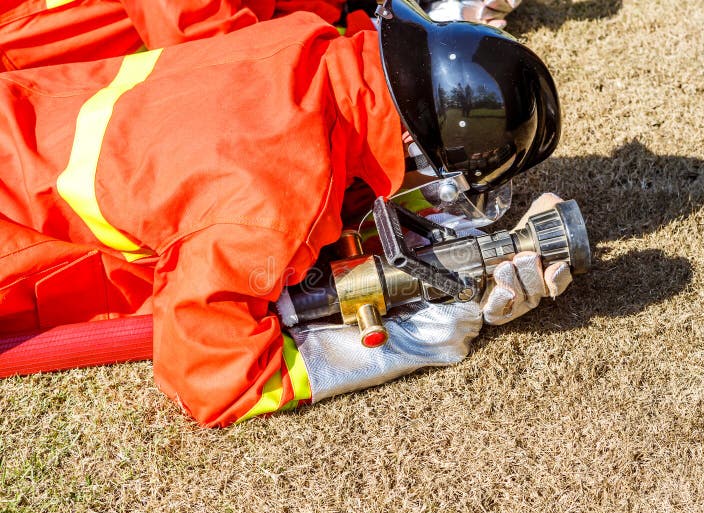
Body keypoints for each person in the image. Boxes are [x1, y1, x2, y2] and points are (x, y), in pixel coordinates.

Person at [0, 0, 571, 426]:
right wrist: (415, 340)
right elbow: (212, 374)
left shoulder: (308, 43)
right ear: (418, 148)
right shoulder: (275, 197)